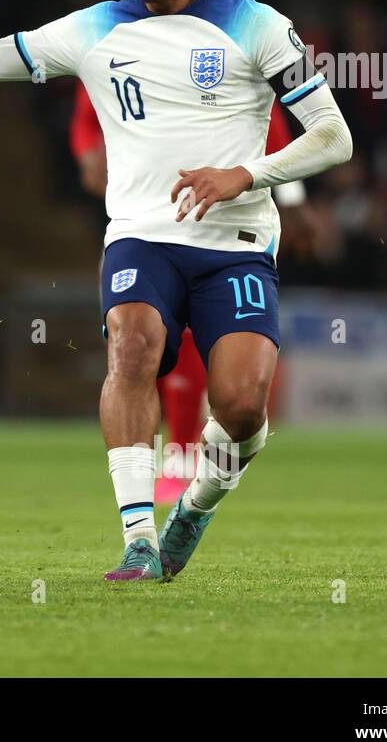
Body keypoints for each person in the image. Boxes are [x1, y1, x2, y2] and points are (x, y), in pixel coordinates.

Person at [0, 0, 351, 581]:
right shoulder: (93, 29)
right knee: (131, 349)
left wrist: (245, 175)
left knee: (238, 405)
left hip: (234, 245)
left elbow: (333, 135)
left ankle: (197, 503)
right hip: (141, 235)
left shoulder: (255, 23)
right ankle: (138, 536)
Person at [69, 84, 308, 505]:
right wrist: (88, 150)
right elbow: (88, 112)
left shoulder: (220, 38)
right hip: (138, 210)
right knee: (136, 338)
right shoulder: (113, 38)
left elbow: (263, 112)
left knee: (210, 344)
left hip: (217, 215)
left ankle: (183, 450)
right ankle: (163, 464)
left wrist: (290, 195)